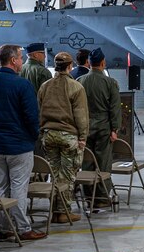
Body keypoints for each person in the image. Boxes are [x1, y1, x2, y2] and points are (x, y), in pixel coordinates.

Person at [0, 44, 46, 242]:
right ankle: (23, 228)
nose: (22, 61)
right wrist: (32, 136)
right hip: (19, 145)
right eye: (20, 58)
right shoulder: (22, 85)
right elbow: (32, 116)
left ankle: (3, 227)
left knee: (0, 187)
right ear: (14, 61)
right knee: (19, 188)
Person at [38, 51, 88, 224]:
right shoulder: (76, 87)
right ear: (70, 66)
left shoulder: (45, 86)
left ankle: (54, 210)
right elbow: (81, 115)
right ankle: (63, 212)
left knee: (54, 173)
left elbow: (39, 110)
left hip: (48, 134)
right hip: (68, 136)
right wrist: (82, 138)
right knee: (67, 175)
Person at [78, 48, 120, 207]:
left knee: (87, 162)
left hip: (85, 127)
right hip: (104, 128)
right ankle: (102, 198)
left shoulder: (80, 81)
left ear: (88, 63)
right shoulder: (110, 83)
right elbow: (115, 108)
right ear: (103, 63)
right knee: (103, 163)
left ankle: (88, 196)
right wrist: (114, 129)